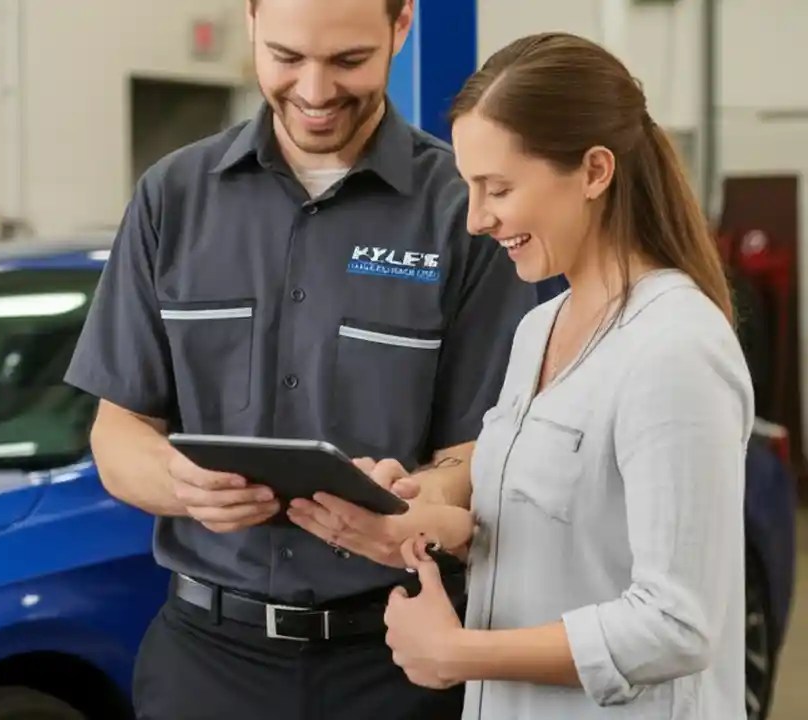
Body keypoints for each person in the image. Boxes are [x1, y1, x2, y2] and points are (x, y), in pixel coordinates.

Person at [63, 0, 536, 717]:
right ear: (250, 21)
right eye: (287, 58)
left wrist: (417, 499)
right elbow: (118, 429)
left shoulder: (462, 213)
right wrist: (183, 484)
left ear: (401, 26)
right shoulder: (173, 198)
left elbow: (485, 450)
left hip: (396, 660)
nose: (314, 92)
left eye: (348, 61)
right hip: (207, 663)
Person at [291, 32, 755, 719]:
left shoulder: (674, 349)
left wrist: (458, 654)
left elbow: (677, 623)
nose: (477, 220)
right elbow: (556, 533)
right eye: (470, 190)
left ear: (595, 172)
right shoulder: (542, 326)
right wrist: (426, 522)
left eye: (499, 189)